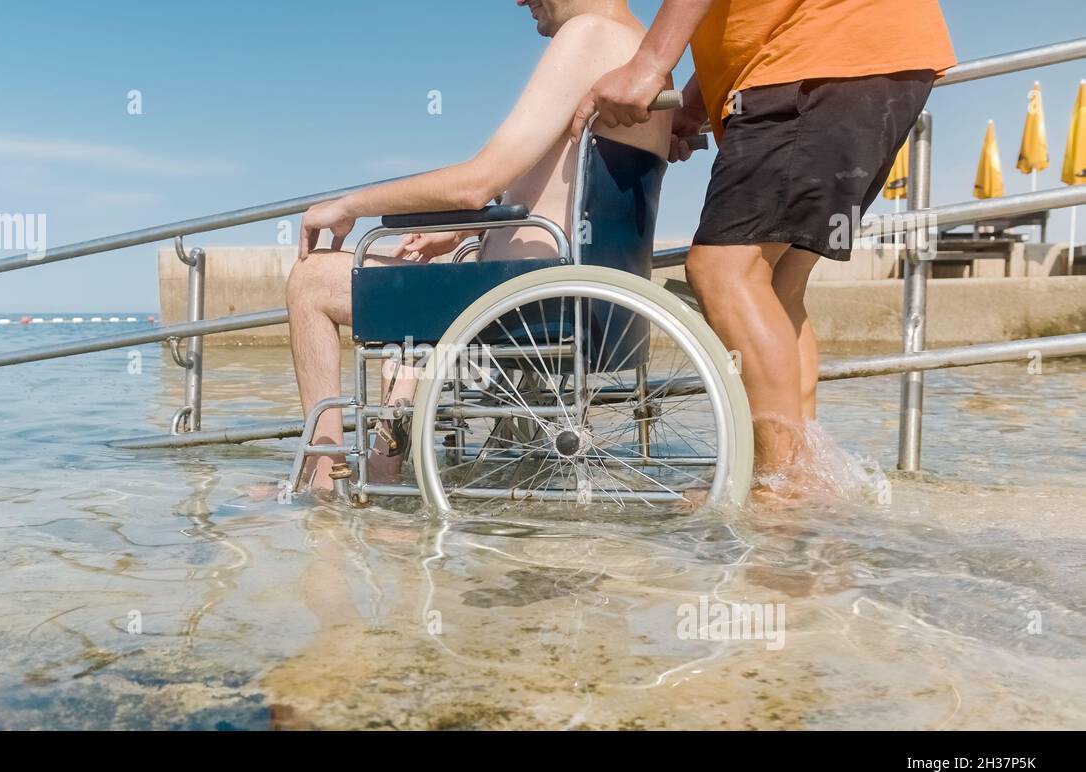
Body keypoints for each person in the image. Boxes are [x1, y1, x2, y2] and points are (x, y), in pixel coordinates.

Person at [290, 0, 672, 491]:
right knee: (415, 303)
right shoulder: (643, 53)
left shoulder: (590, 36)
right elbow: (566, 194)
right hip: (592, 303)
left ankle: (321, 477)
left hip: (526, 302)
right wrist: (467, 229)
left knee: (311, 279)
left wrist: (349, 205)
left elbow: (476, 181)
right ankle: (382, 471)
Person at [572, 0, 956, 484]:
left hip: (813, 60)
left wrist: (649, 65)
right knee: (776, 284)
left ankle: (778, 487)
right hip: (865, 62)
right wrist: (693, 103)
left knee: (722, 270)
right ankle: (801, 477)